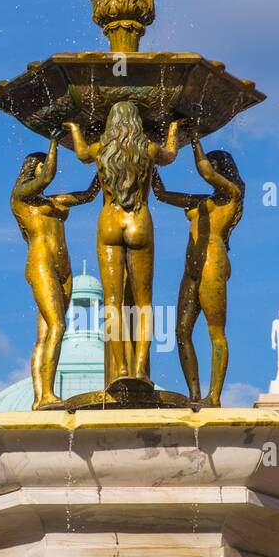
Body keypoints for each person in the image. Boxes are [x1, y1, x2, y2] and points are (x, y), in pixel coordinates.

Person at [65, 104, 181, 384]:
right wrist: (175, 129)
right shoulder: (149, 149)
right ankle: (141, 369)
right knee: (143, 303)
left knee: (113, 302)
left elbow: (80, 153)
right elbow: (171, 155)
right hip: (138, 220)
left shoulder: (100, 149)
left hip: (109, 221)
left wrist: (72, 127)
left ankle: (120, 370)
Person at [151, 139, 245, 407]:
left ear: (224, 171)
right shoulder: (204, 201)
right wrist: (148, 161)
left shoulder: (232, 195)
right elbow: (160, 193)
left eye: (216, 167)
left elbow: (204, 171)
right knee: (181, 331)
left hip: (212, 261)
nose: (211, 173)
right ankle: (194, 395)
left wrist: (194, 139)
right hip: (191, 267)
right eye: (211, 166)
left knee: (215, 332)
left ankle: (213, 396)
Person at [10, 137, 99, 409]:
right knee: (58, 326)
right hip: (41, 263)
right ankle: (44, 395)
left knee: (48, 330)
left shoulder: (53, 202)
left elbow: (88, 195)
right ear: (31, 170)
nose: (45, 171)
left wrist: (104, 164)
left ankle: (43, 394)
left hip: (64, 268)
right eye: (40, 167)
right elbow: (48, 175)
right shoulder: (21, 200)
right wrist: (54, 141)